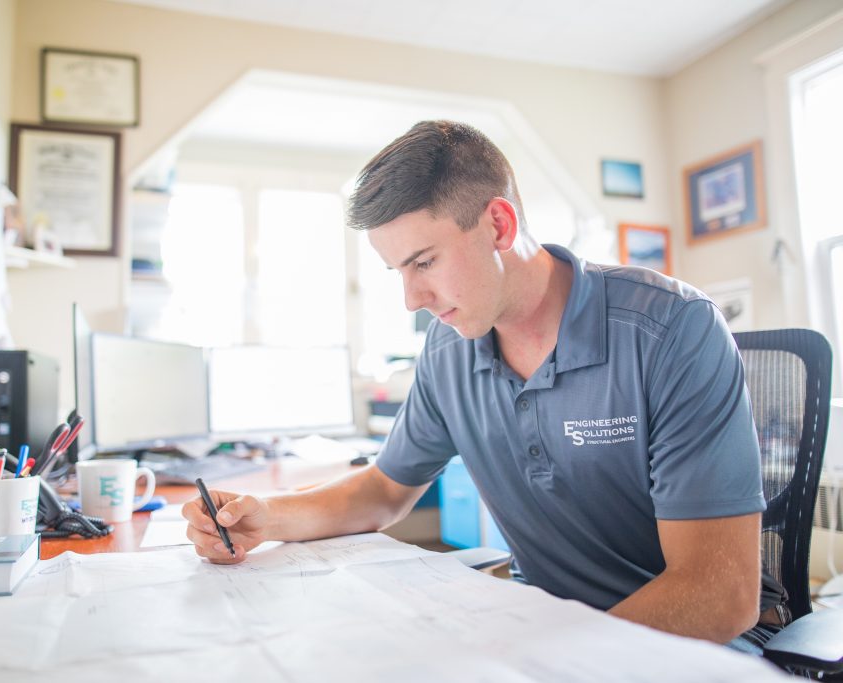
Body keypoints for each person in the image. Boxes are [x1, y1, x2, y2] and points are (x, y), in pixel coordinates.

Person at [183, 120, 766, 646]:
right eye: (398, 272)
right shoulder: (448, 348)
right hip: (538, 632)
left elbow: (719, 597)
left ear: (498, 224)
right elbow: (386, 490)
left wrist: (557, 661)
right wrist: (268, 516)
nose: (412, 298)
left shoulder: (669, 331)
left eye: (425, 262)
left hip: (674, 653)